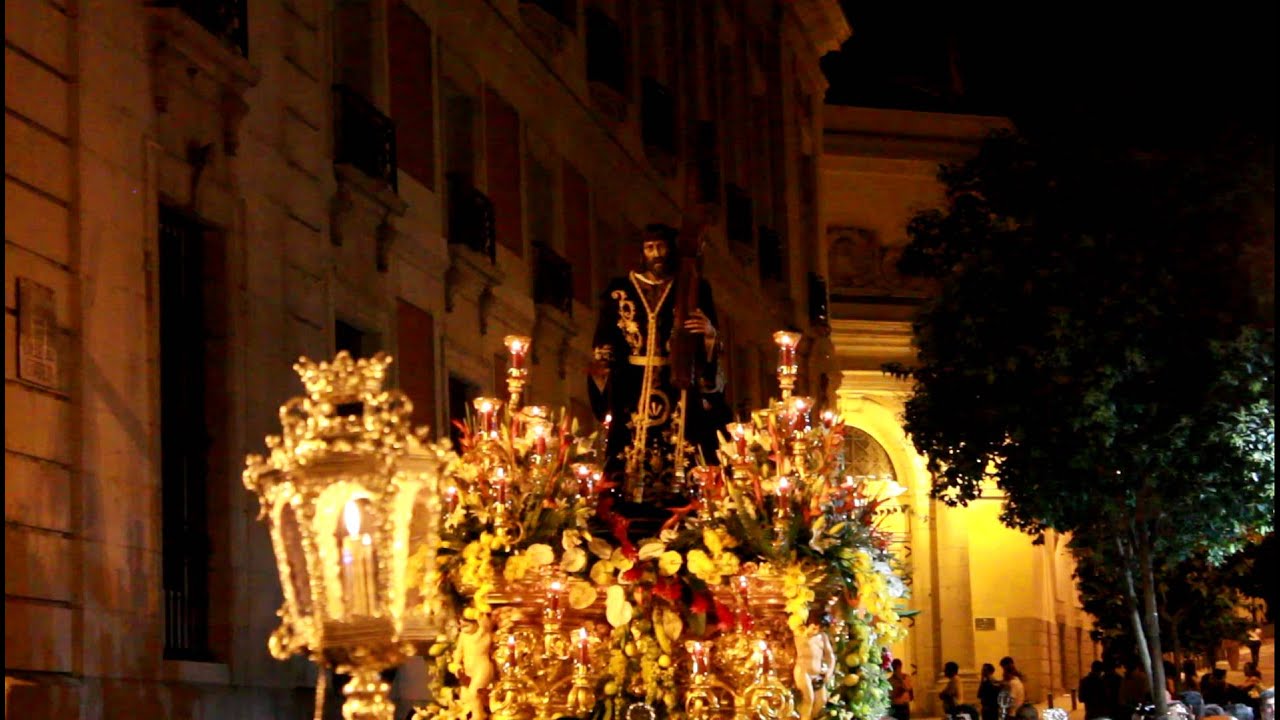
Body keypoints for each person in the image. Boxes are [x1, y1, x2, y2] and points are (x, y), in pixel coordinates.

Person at [588, 223, 727, 510]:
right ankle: (625, 502)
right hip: (632, 384)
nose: (657, 254)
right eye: (650, 248)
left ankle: (683, 499)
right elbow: (605, 336)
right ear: (641, 252)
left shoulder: (692, 287)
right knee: (627, 445)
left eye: (662, 247)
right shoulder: (620, 290)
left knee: (683, 442)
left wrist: (710, 333)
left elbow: (709, 340)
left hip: (677, 382)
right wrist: (602, 364)